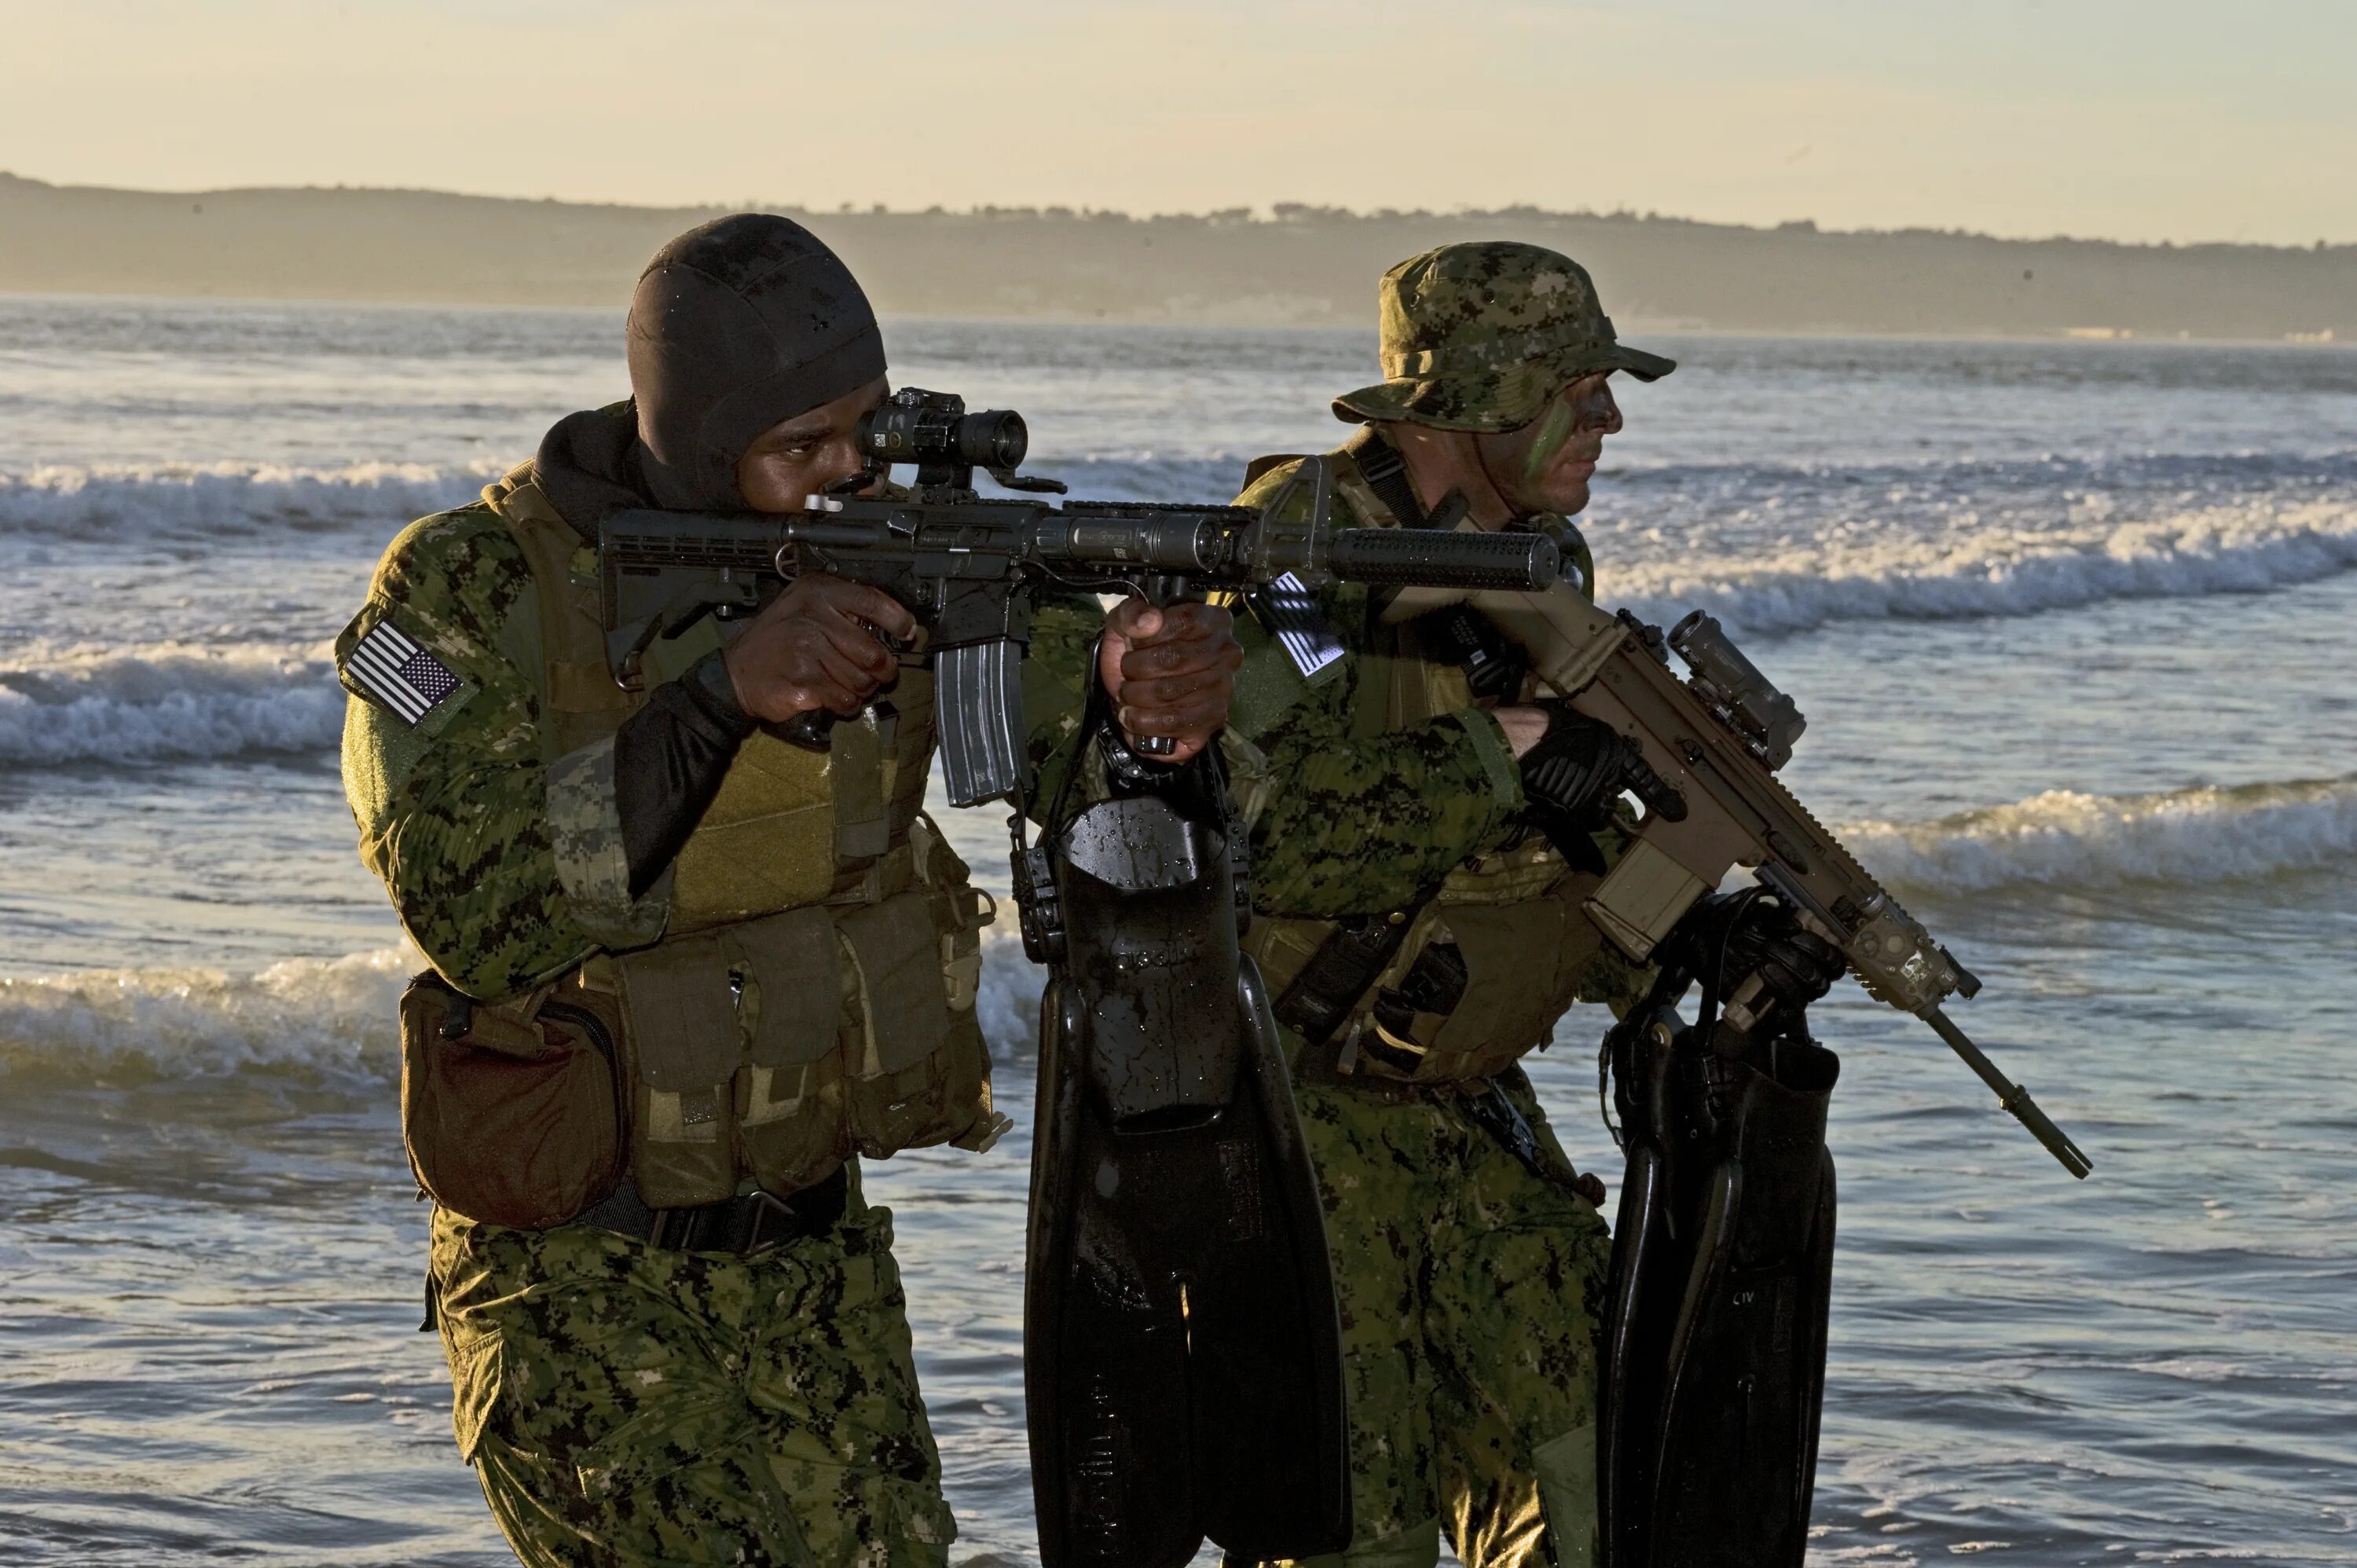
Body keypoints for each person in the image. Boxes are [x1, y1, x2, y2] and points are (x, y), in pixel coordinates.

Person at [337, 213, 1240, 1568]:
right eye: (798, 449)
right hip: (583, 1277)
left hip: (821, 1258)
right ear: (699, 441)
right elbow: (474, 912)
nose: (846, 475)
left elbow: (1135, 824)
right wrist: (723, 696)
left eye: (864, 430)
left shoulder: (900, 557)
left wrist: (1150, 713)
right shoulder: (471, 586)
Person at [1217, 241, 1841, 1568]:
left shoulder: (1545, 562)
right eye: (1580, 387)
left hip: (1469, 1105)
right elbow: (1270, 844)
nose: (1609, 419)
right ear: (1483, 396)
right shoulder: (1297, 557)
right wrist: (1495, 751)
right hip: (1303, 1126)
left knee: (1593, 1501)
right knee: (1348, 1534)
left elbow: (1529, 855)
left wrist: (1693, 940)